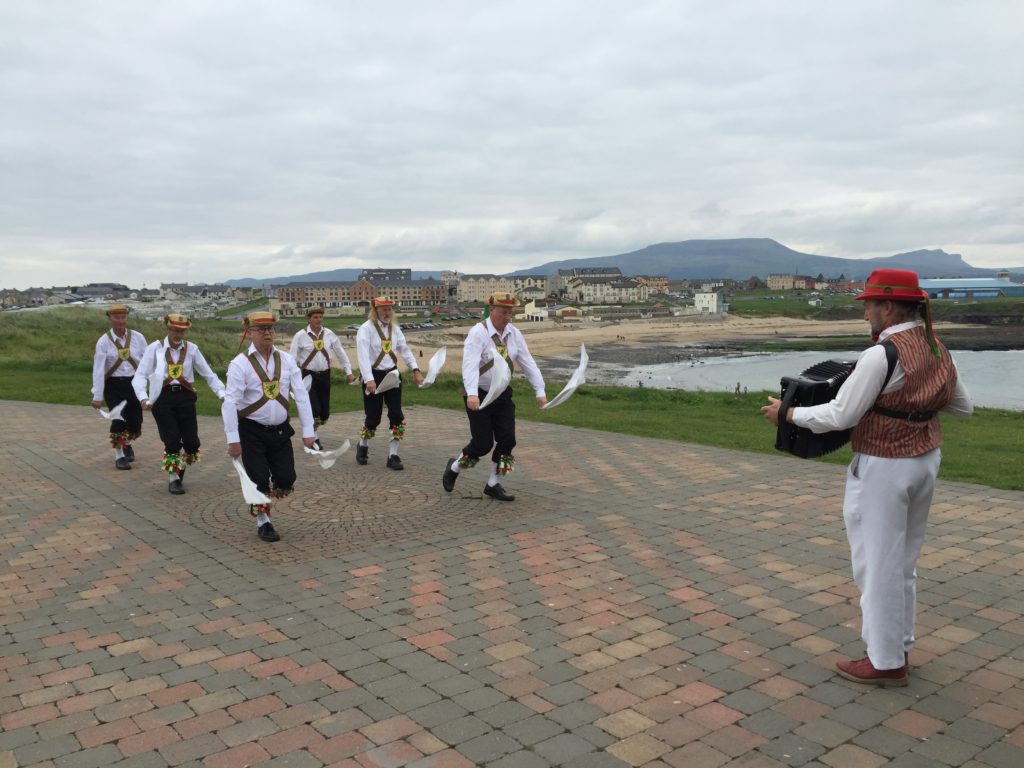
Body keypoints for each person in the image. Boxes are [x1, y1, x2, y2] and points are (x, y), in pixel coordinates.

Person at [761, 269, 972, 686]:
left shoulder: (882, 354)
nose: (866, 315)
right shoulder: (936, 347)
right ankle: (899, 644)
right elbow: (962, 407)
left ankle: (886, 662)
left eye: (870, 306)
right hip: (925, 458)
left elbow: (842, 414)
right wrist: (917, 402)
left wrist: (788, 414)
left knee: (876, 565)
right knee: (903, 563)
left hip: (884, 466)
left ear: (888, 307)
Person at [442, 293, 547, 502]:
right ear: (492, 310)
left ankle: (493, 484)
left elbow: (527, 362)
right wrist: (472, 394)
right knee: (482, 444)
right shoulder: (478, 333)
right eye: (504, 312)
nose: (508, 316)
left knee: (508, 439)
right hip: (479, 395)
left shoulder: (514, 334)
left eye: (511, 312)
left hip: (502, 395)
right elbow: (469, 365)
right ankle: (454, 467)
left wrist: (540, 390)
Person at [222, 312, 316, 543]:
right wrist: (233, 439)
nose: (267, 333)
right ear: (250, 333)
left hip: (281, 430)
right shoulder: (240, 364)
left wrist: (308, 431)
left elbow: (301, 395)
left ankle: (264, 494)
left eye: (270, 329)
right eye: (261, 329)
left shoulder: (286, 360)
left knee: (286, 478)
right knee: (260, 479)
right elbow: (230, 401)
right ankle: (263, 521)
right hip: (251, 431)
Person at [132, 314, 225, 495]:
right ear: (167, 329)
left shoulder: (192, 349)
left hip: (186, 398)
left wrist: (222, 393)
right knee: (172, 440)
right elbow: (140, 375)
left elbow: (208, 374)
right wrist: (143, 397)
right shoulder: (155, 348)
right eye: (175, 330)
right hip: (162, 398)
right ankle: (174, 478)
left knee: (192, 443)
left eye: (181, 331)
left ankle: (179, 467)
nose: (178, 334)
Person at [355, 297, 424, 469]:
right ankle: (362, 445)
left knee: (396, 415)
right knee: (373, 417)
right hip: (374, 377)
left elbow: (404, 350)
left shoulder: (395, 329)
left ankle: (393, 455)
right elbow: (362, 356)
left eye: (390, 309)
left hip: (392, 375)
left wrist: (415, 370)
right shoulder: (366, 329)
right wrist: (369, 379)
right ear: (375, 310)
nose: (388, 313)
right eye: (384, 309)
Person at [91, 304, 148, 470]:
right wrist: (97, 395)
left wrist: (154, 385)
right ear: (110, 319)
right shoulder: (103, 342)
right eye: (116, 317)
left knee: (135, 421)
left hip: (134, 383)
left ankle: (127, 443)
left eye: (123, 317)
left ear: (126, 318)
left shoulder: (138, 338)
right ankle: (119, 455)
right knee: (118, 419)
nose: (120, 321)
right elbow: (98, 370)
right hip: (113, 385)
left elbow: (148, 362)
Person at [289, 306, 354, 447]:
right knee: (314, 409)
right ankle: (313, 438)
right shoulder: (300, 335)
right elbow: (292, 358)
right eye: (315, 317)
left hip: (325, 375)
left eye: (320, 317)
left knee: (324, 413)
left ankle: (311, 431)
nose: (318, 319)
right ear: (308, 319)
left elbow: (340, 353)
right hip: (308, 376)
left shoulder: (329, 334)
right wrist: (291, 379)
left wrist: (348, 371)